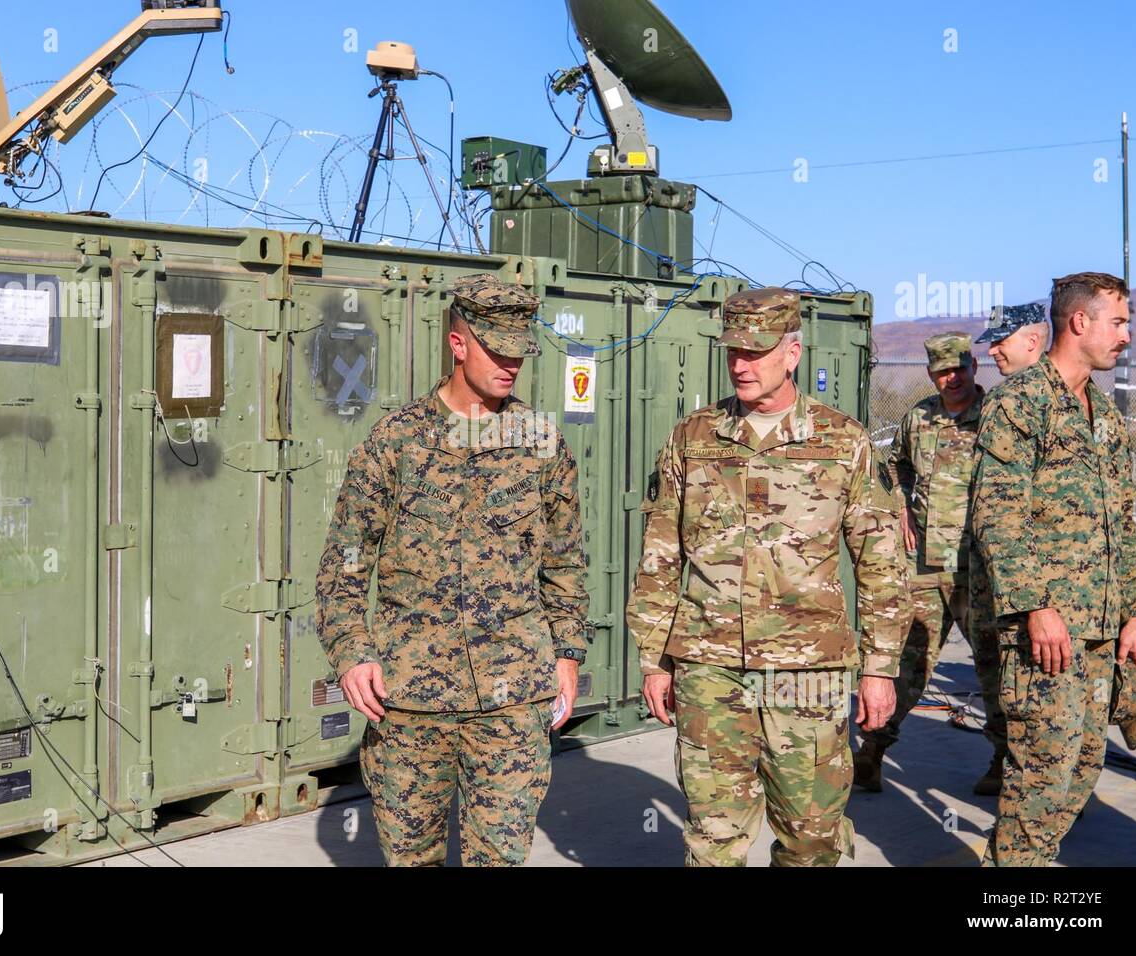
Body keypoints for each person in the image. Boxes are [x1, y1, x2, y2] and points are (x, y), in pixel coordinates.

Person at [627, 287, 909, 867]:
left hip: (807, 673)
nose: (741, 364)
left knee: (812, 838)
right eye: (734, 351)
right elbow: (660, 556)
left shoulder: (843, 443)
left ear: (793, 353)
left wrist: (880, 669)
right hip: (710, 669)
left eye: (756, 351)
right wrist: (654, 659)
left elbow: (881, 563)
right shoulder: (692, 438)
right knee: (713, 838)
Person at [314, 272, 589, 866]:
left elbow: (564, 564)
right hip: (409, 700)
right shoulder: (396, 442)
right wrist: (351, 653)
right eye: (496, 347)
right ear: (458, 344)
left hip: (513, 697)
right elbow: (342, 567)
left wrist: (567, 656)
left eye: (520, 350)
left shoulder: (542, 444)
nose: (511, 363)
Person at [973, 272, 1136, 866]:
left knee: (1080, 771)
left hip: (1100, 634)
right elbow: (996, 517)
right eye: (1119, 322)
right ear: (1080, 322)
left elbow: (1121, 523)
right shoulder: (1019, 402)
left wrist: (1134, 614)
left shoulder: (1103, 413)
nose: (1127, 335)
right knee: (1038, 786)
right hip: (1045, 635)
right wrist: (1035, 607)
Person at [854, 333, 984, 792]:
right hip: (926, 566)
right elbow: (893, 464)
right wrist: (901, 505)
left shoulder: (995, 419)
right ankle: (870, 755)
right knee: (908, 666)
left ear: (974, 366)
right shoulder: (920, 418)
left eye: (959, 369)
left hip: (979, 570)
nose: (952, 379)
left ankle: (1014, 765)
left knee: (997, 669)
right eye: (942, 372)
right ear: (931, 374)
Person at [963, 302, 1050, 795]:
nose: (993, 349)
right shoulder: (1004, 399)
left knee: (1034, 688)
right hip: (985, 574)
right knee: (993, 674)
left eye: (1003, 340)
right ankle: (1005, 757)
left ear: (1033, 340)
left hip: (1034, 585)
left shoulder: (1048, 403)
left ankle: (1045, 785)